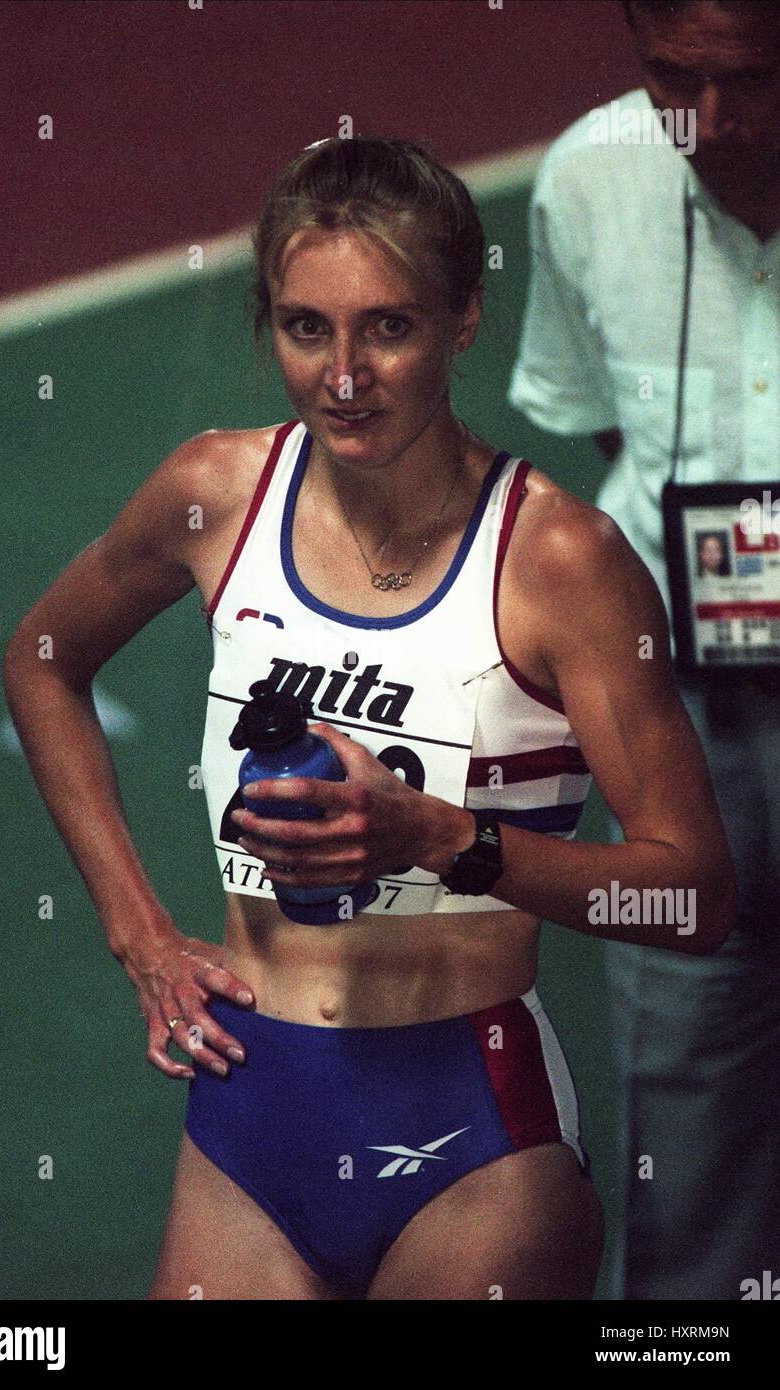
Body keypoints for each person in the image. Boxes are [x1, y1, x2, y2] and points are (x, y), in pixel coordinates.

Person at [3, 134, 735, 1302]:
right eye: (305, 327)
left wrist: (446, 840)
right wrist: (138, 932)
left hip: (473, 1130)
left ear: (461, 319)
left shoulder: (558, 561)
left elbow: (692, 897)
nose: (343, 376)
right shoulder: (214, 493)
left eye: (386, 326)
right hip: (248, 1114)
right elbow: (42, 660)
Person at [508, 0, 780, 1300]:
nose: (709, 125)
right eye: (674, 80)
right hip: (676, 717)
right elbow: (612, 434)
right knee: (683, 1085)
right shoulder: (591, 178)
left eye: (749, 83)